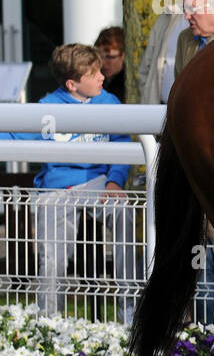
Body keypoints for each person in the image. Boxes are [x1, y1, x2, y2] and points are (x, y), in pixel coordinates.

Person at [0, 45, 135, 321]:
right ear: (72, 84)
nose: (102, 77)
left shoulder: (108, 103)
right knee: (52, 257)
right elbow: (13, 134)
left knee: (126, 215)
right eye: (94, 73)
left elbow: (123, 144)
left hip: (99, 183)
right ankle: (49, 320)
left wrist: (115, 182)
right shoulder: (47, 107)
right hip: (56, 188)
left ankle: (130, 310)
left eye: (100, 70)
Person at [93, 27, 126, 103]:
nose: (103, 62)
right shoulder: (96, 79)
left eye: (109, 57)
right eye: (100, 57)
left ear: (123, 55)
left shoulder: (125, 83)